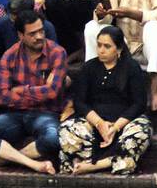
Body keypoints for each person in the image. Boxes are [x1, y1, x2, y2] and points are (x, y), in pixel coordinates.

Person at [0, 10, 66, 175]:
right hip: (15, 115)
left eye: (41, 30)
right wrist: (39, 91)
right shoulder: (9, 56)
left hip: (46, 113)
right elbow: (2, 96)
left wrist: (20, 90)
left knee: (54, 138)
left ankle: (4, 159)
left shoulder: (57, 53)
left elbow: (53, 92)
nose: (39, 36)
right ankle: (33, 164)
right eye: (32, 33)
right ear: (20, 35)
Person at [58, 24, 151, 175]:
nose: (101, 50)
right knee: (67, 130)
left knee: (140, 133)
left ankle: (94, 166)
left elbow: (139, 103)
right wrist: (100, 123)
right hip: (94, 121)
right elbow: (79, 102)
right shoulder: (89, 67)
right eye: (99, 45)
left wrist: (115, 127)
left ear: (119, 49)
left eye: (107, 46)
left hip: (124, 122)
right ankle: (103, 161)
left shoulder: (131, 68)